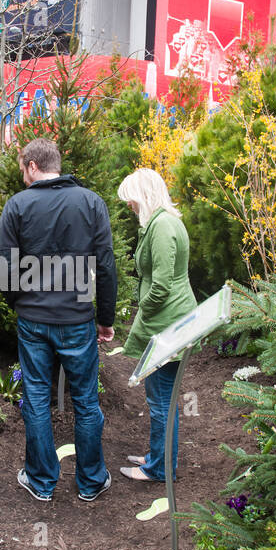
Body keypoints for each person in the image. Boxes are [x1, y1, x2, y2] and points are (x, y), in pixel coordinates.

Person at [0, 138, 117, 502]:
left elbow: (2, 269)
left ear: (32, 165)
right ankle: (91, 481)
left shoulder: (18, 205)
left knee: (36, 399)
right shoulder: (91, 203)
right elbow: (105, 266)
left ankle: (42, 481)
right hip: (77, 318)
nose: (22, 175)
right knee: (86, 401)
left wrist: (22, 301)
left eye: (21, 168)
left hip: (33, 322)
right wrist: (104, 319)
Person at [116, 169, 197, 483]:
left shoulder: (162, 226)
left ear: (144, 195)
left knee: (161, 398)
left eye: (131, 199)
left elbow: (161, 285)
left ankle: (160, 469)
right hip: (170, 318)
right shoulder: (163, 222)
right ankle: (158, 456)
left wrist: (143, 313)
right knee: (161, 394)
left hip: (168, 321)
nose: (129, 206)